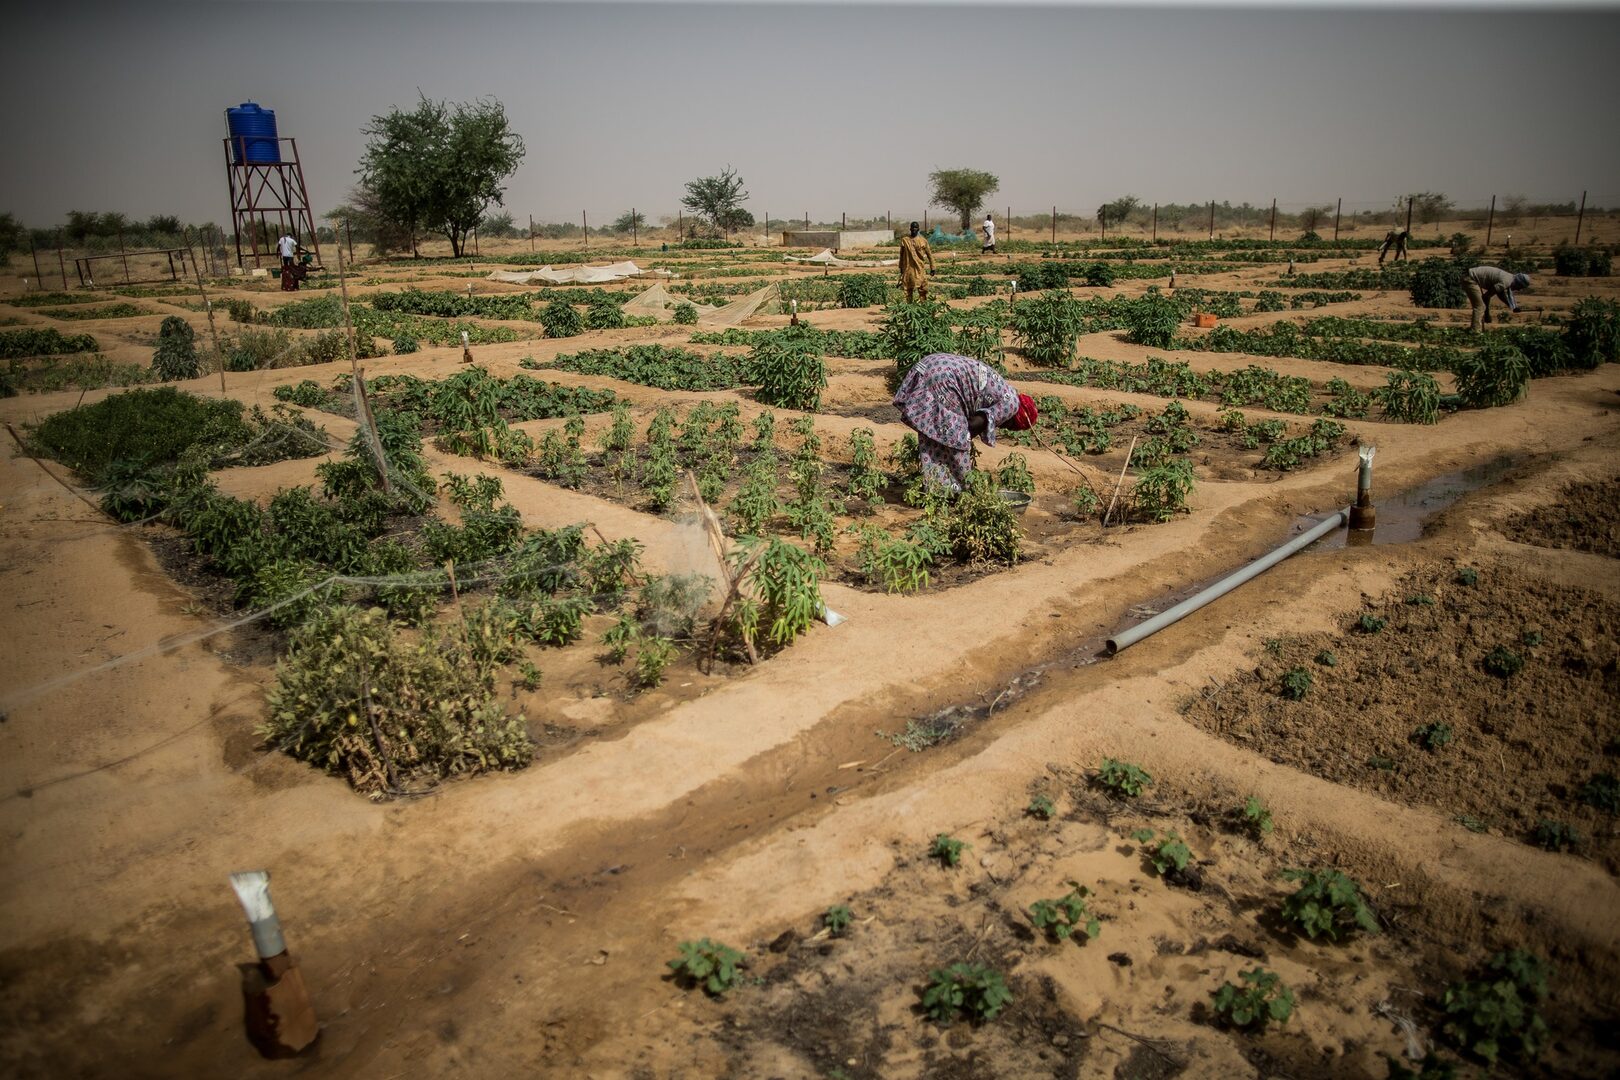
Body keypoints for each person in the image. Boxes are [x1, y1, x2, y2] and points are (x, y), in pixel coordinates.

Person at [892, 352, 1038, 492]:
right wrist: (964, 440)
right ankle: (962, 491)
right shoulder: (1011, 405)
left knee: (936, 437)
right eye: (1012, 427)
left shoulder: (1008, 392)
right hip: (944, 378)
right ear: (1016, 420)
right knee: (956, 440)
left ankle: (938, 490)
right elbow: (974, 424)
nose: (1006, 427)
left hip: (931, 365)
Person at [1465, 266, 1530, 331]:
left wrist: (1513, 307)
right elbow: (1486, 296)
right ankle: (1475, 332)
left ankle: (1476, 329)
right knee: (1480, 307)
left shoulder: (1509, 278)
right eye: (1520, 287)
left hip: (1470, 276)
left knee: (1481, 306)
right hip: (1470, 278)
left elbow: (1500, 294)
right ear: (1518, 283)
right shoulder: (1506, 282)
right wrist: (1487, 314)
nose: (1518, 290)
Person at [898, 221, 934, 302]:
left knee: (922, 288)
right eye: (912, 227)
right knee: (907, 288)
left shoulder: (923, 241)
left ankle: (923, 305)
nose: (914, 229)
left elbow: (930, 255)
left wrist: (933, 267)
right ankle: (908, 307)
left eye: (916, 227)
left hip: (919, 268)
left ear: (918, 229)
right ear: (910, 229)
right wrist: (901, 267)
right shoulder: (905, 240)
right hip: (908, 269)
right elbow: (901, 255)